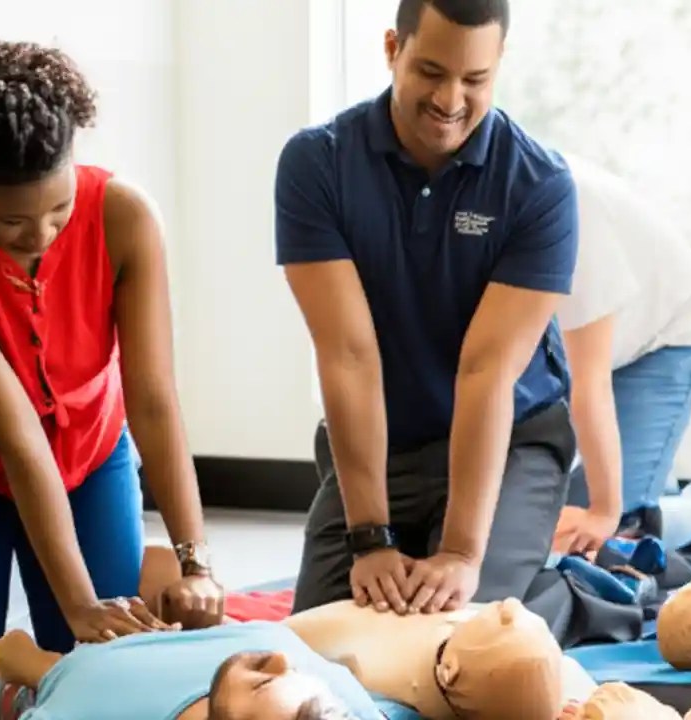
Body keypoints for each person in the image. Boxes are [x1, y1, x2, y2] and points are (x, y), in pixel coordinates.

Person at [276, 0, 579, 619]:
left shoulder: (540, 186)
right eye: (431, 72)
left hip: (513, 437)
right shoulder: (316, 165)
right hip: (387, 440)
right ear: (393, 49)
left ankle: (573, 595)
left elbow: (486, 371)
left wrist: (463, 554)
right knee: (324, 632)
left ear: (499, 67)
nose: (450, 101)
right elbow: (348, 355)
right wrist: (370, 539)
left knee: (464, 627)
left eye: (475, 80)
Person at [0, 40, 221, 712]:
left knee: (106, 669)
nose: (42, 235)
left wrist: (195, 558)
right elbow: (20, 438)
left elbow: (153, 397)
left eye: (57, 210)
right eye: (11, 221)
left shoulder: (123, 215)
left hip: (91, 459)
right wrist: (78, 601)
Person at [0, 548, 643, 720]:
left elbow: (9, 652)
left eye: (259, 681)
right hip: (221, 625)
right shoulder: (346, 703)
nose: (275, 662)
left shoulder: (91, 692)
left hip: (77, 666)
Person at [551, 155, 691, 555]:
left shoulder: (565, 203)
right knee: (545, 517)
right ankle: (653, 477)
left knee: (603, 539)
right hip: (606, 347)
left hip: (667, 334)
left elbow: (588, 385)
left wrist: (606, 510)